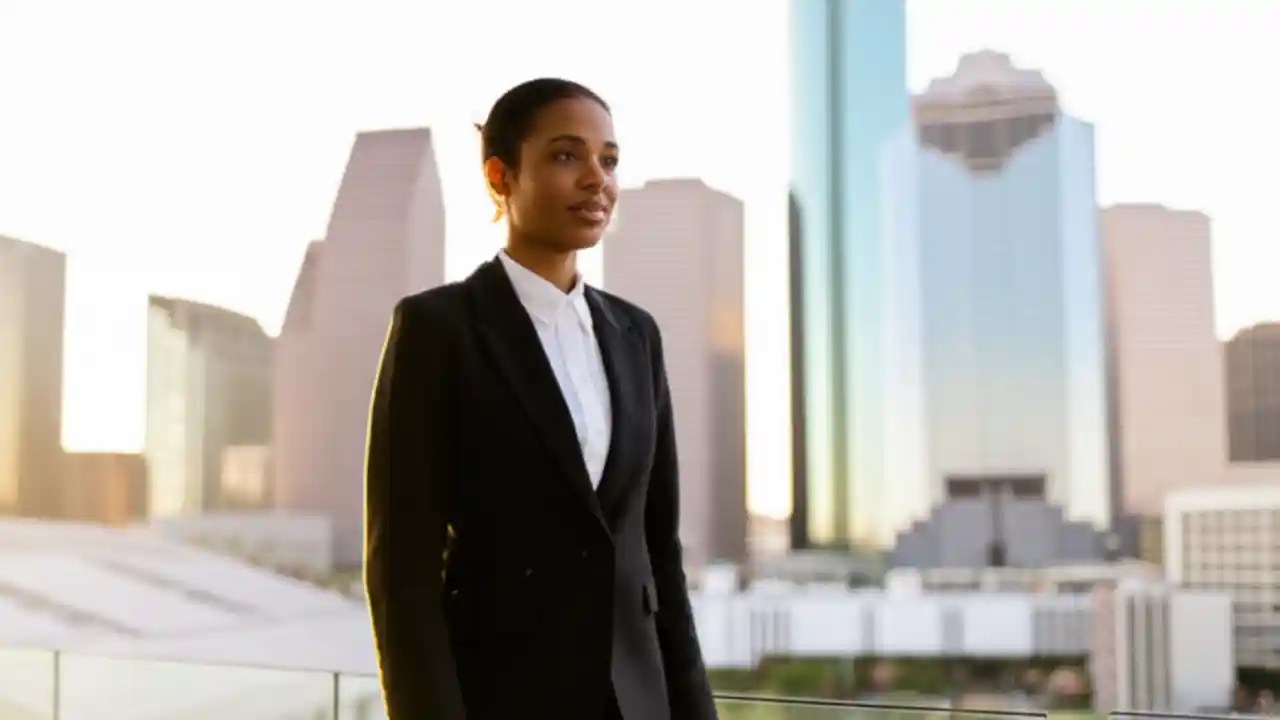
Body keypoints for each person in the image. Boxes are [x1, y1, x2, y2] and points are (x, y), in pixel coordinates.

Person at [364, 77, 719, 720]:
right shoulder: (436, 329)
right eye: (565, 156)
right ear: (501, 177)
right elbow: (401, 576)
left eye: (608, 160)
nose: (597, 180)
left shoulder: (637, 335)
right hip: (499, 698)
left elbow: (658, 559)